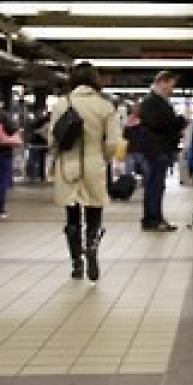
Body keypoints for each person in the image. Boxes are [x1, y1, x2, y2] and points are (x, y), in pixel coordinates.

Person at [49, 62, 118, 280]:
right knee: (94, 211)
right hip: (94, 164)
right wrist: (103, 158)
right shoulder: (105, 106)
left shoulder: (62, 103)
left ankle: (76, 264)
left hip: (68, 165)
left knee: (72, 217)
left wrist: (57, 158)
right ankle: (91, 247)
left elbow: (53, 138)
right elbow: (113, 142)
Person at [137, 70, 187, 231]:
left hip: (159, 148)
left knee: (156, 185)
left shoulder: (158, 101)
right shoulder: (151, 101)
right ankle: (153, 219)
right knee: (155, 185)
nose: (172, 89)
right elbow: (157, 124)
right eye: (171, 85)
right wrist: (178, 122)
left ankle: (153, 217)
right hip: (156, 149)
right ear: (162, 82)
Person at [122, 103, 148, 179]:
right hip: (132, 150)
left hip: (140, 150)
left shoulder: (144, 121)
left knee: (145, 170)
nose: (135, 110)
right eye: (134, 108)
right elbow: (124, 136)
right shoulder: (128, 120)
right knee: (129, 171)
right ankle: (127, 186)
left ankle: (147, 185)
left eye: (137, 108)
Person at [25, 106, 50, 183]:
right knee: (35, 160)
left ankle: (40, 176)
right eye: (39, 112)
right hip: (36, 143)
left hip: (40, 143)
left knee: (41, 160)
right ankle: (35, 176)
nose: (40, 114)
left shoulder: (43, 121)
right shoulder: (36, 122)